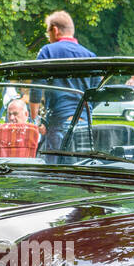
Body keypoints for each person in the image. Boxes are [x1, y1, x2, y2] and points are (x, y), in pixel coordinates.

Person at [35, 10, 95, 161]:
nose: (48, 37)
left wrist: (36, 119)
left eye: (47, 31)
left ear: (54, 30)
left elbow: (36, 89)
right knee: (82, 166)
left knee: (54, 170)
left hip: (58, 120)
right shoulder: (90, 56)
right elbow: (96, 92)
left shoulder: (47, 51)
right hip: (85, 122)